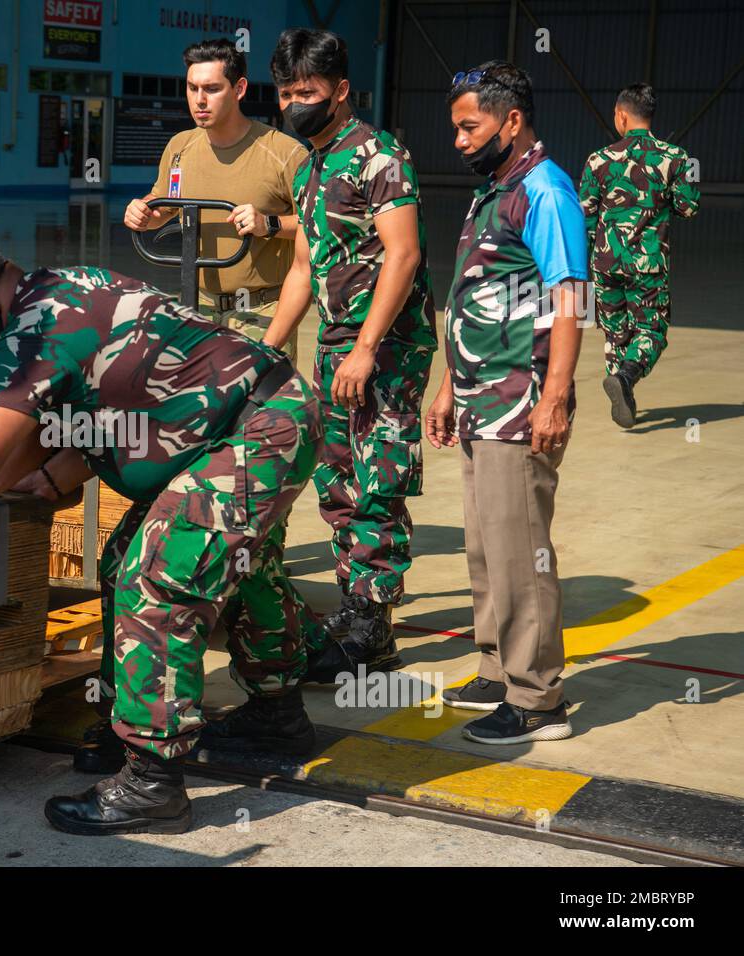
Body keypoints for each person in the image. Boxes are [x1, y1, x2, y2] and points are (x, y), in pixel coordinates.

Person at [0, 240, 337, 835]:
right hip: (255, 416)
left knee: (154, 578)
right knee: (219, 563)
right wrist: (25, 478)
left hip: (255, 430)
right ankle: (273, 716)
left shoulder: (31, 334)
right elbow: (71, 413)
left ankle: (152, 781)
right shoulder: (58, 291)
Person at [263, 28, 437, 673]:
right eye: (285, 93)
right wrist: (267, 349)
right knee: (336, 474)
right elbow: (304, 269)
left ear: (340, 90)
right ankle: (354, 605)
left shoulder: (380, 156)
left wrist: (366, 348)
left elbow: (405, 251)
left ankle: (373, 624)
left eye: (306, 92)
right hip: (336, 347)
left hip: (384, 349)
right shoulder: (309, 168)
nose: (293, 104)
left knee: (376, 478)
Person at [426, 61, 588, 745]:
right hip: (479, 399)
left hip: (520, 404)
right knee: (487, 545)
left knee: (521, 550)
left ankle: (537, 699)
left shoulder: (546, 192)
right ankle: (497, 667)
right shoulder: (496, 188)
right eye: (456, 127)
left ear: (512, 121)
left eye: (471, 126)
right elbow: (472, 295)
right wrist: (446, 386)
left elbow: (570, 298)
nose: (459, 139)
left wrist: (554, 399)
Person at [123, 38, 308, 364]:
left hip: (260, 312)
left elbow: (319, 226)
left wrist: (269, 224)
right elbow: (165, 206)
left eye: (211, 88)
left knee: (259, 411)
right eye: (192, 88)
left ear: (239, 89)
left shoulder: (285, 153)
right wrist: (143, 213)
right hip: (196, 306)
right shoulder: (180, 146)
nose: (199, 100)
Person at [579, 82, 699, 428]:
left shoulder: (598, 159)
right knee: (652, 329)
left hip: (605, 263)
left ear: (621, 116)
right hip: (648, 263)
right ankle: (628, 378)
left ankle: (622, 393)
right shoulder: (675, 157)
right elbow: (689, 207)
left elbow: (584, 217)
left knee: (616, 332)